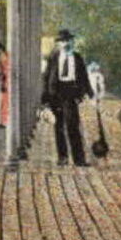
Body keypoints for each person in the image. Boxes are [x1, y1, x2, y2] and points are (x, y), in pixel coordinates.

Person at [42, 29, 93, 165]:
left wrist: (89, 93)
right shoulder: (53, 57)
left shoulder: (77, 57)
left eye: (67, 41)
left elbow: (84, 77)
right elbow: (46, 77)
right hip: (56, 93)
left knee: (73, 126)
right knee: (58, 126)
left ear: (72, 42)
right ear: (58, 43)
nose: (65, 44)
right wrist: (45, 97)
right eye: (62, 41)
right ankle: (62, 157)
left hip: (71, 93)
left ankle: (79, 159)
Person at [0, 40, 12, 126]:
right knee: (6, 101)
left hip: (3, 79)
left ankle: (2, 120)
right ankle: (5, 120)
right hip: (7, 79)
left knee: (2, 101)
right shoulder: (8, 55)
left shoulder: (0, 57)